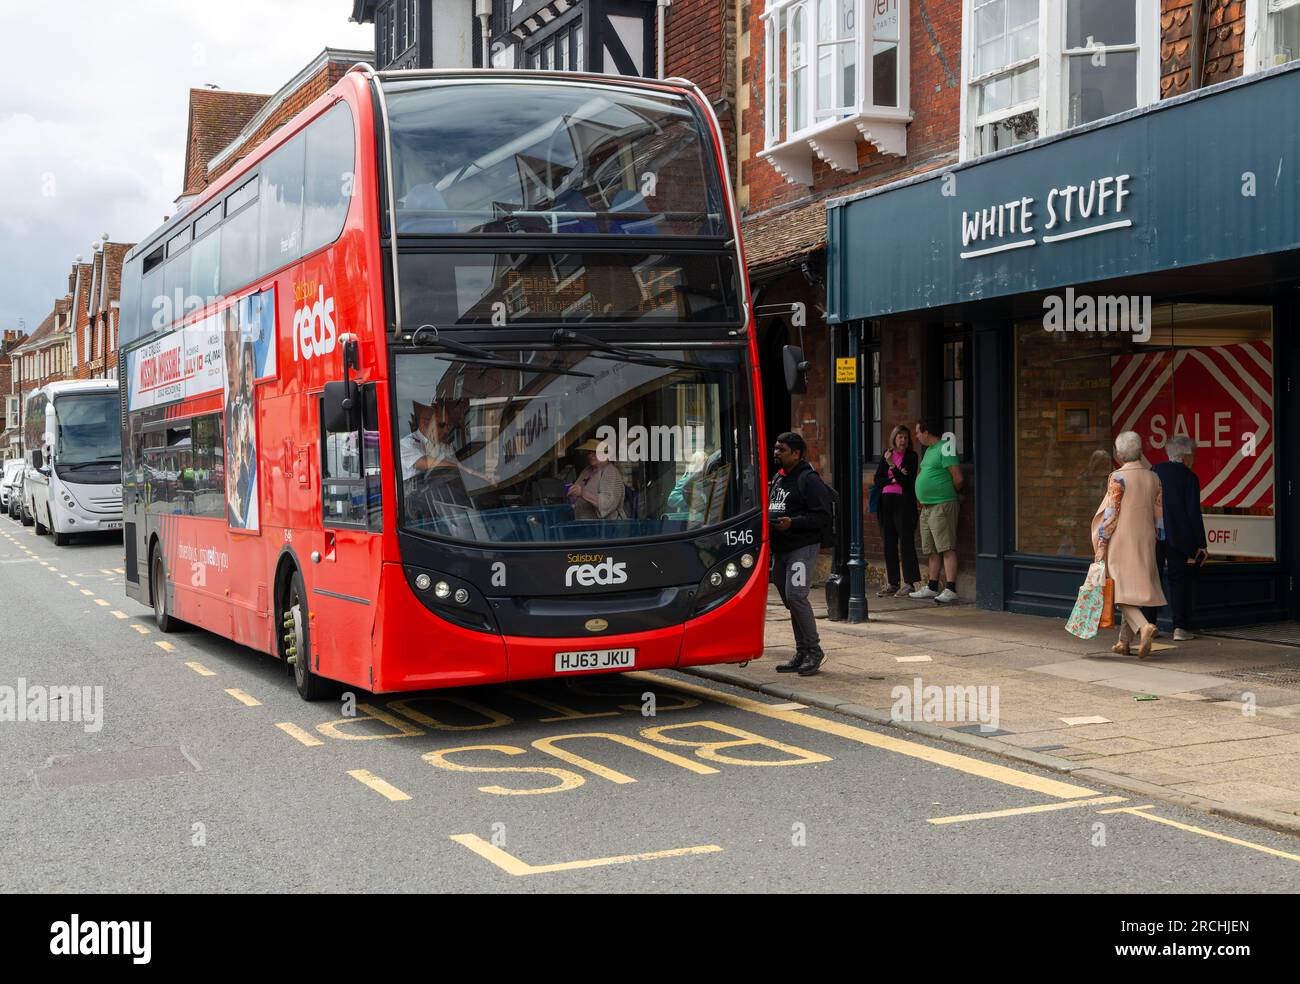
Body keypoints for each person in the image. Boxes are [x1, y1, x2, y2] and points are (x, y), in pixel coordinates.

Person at [1091, 430, 1167, 659]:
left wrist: (1102, 542)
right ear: (1140, 451)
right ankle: (1124, 642)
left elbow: (1111, 514)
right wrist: (1157, 537)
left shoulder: (1117, 477)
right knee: (1132, 589)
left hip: (1121, 539)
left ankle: (1144, 626)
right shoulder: (1154, 477)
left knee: (1117, 590)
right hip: (1145, 538)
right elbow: (1159, 515)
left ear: (1119, 454)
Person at [768, 431, 833, 676]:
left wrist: (792, 523)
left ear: (796, 453)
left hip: (801, 547)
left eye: (781, 449)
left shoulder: (809, 479)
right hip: (781, 549)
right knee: (790, 600)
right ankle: (802, 651)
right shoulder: (778, 478)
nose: (776, 452)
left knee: (796, 596)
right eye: (776, 448)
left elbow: (821, 516)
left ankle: (814, 651)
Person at [1143, 434, 1207, 641]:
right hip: (1178, 537)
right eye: (1194, 454)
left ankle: (1149, 626)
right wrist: (1201, 544)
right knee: (1179, 580)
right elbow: (1193, 513)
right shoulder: (1189, 477)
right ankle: (1180, 628)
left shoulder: (1154, 471)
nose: (1195, 459)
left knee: (1152, 579)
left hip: (1153, 534)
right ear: (1187, 456)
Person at [909, 419, 964, 603]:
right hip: (927, 507)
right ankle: (932, 586)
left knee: (946, 546)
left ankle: (951, 588)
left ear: (926, 432)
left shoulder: (945, 447)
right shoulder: (929, 451)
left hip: (942, 504)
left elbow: (957, 477)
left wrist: (947, 494)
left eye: (918, 432)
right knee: (932, 549)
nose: (916, 436)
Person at [874, 424, 921, 597]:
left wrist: (892, 467)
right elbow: (878, 480)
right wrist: (892, 479)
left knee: (906, 542)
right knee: (889, 544)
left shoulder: (911, 457)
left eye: (906, 437)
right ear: (894, 438)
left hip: (904, 504)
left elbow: (907, 482)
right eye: (900, 437)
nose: (903, 440)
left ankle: (909, 583)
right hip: (886, 503)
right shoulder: (887, 454)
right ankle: (893, 583)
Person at [568, 438, 628, 520]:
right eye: (589, 452)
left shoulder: (610, 472)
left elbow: (607, 504)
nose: (590, 455)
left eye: (595, 452)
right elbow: (576, 489)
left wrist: (582, 493)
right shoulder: (588, 470)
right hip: (585, 526)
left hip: (604, 529)